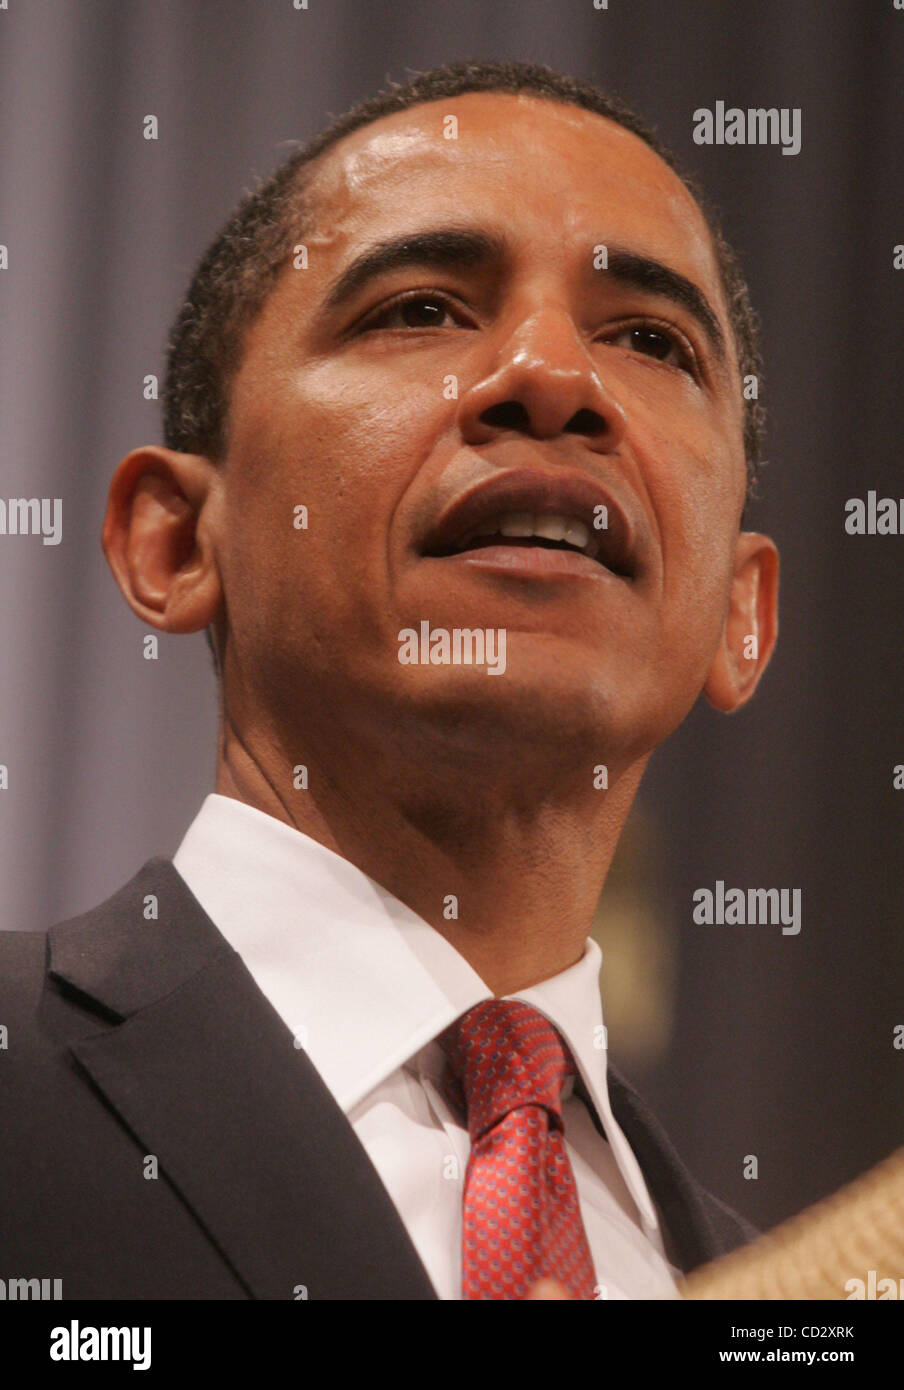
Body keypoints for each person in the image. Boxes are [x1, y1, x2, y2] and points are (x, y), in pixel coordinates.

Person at [0, 59, 778, 1301]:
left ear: (742, 614)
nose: (553, 379)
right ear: (175, 540)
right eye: (420, 310)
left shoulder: (785, 1296)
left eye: (648, 339)